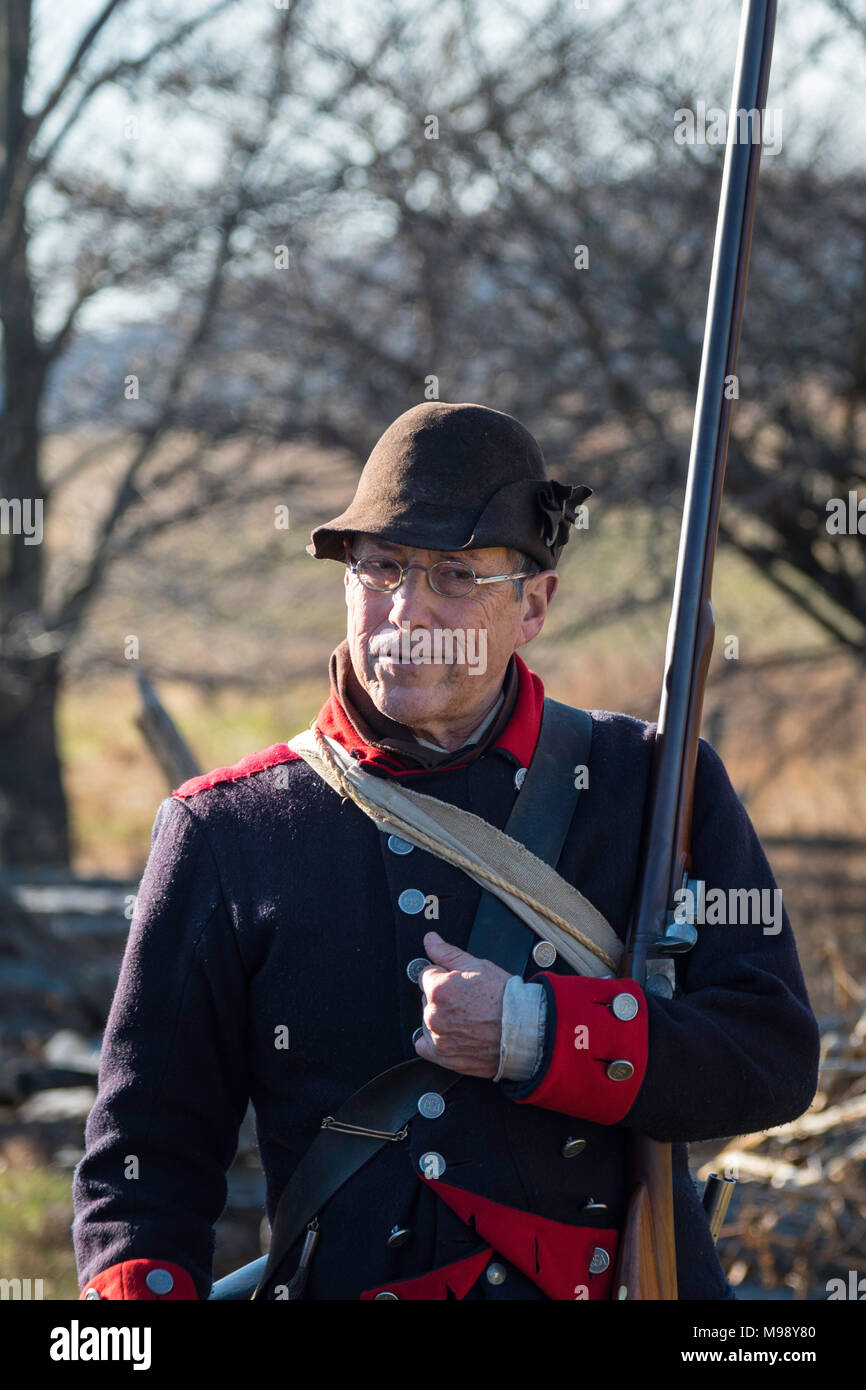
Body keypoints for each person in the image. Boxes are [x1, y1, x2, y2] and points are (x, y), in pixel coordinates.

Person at [72, 401, 819, 1301]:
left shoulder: (657, 787)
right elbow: (143, 1168)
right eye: (382, 566)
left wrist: (536, 1032)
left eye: (455, 577)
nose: (407, 610)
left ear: (534, 603)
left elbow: (771, 1057)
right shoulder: (228, 832)